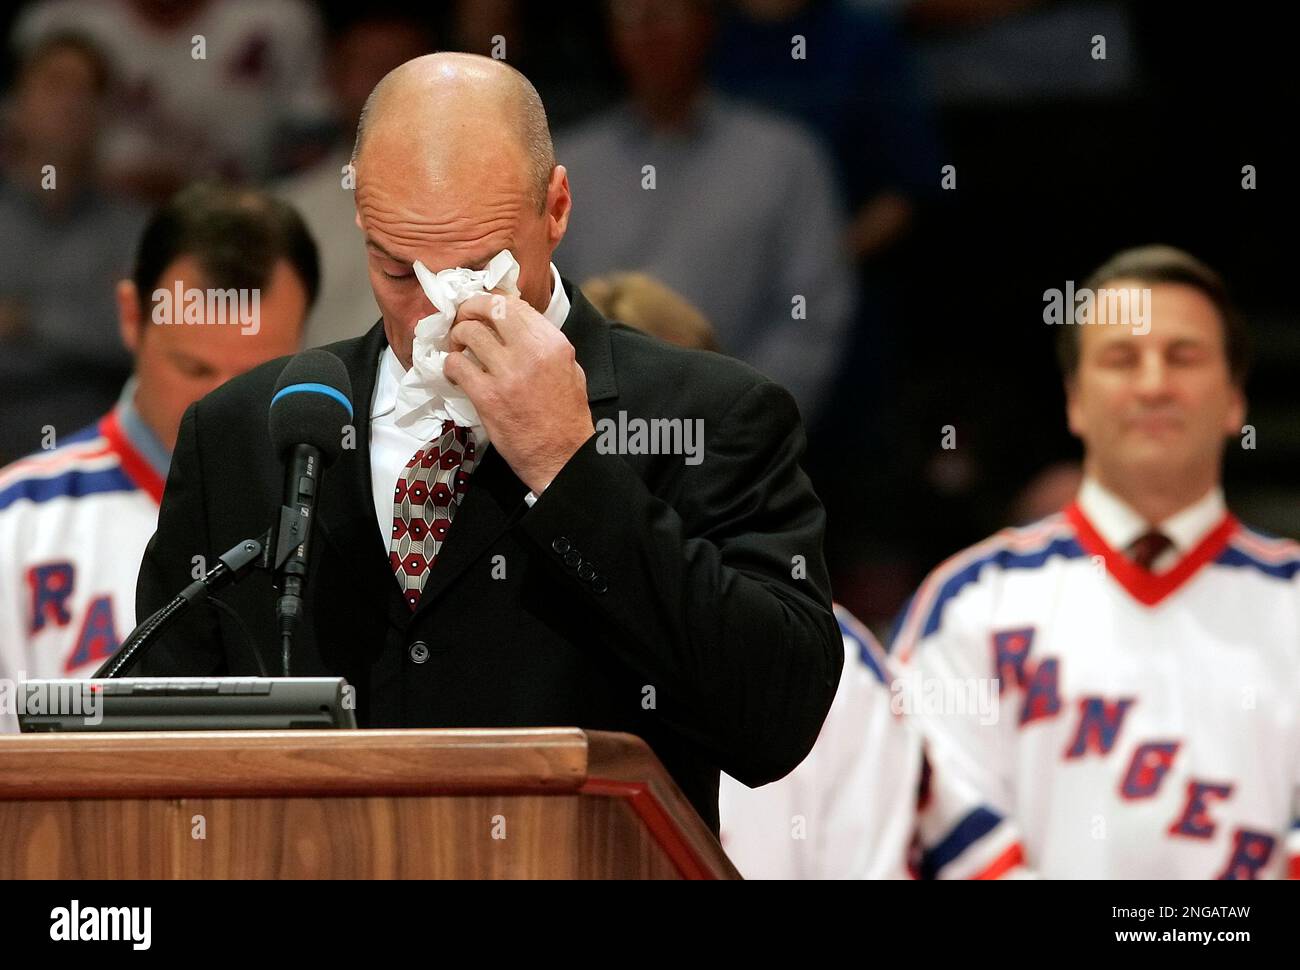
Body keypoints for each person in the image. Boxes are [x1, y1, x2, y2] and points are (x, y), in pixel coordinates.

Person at [133, 53, 842, 834]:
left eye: (475, 269)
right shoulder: (244, 430)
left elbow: (774, 721)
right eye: (398, 269)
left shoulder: (712, 415)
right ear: (361, 220)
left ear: (557, 208)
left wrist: (568, 466)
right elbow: (161, 749)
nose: (434, 313)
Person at [892, 245, 1300, 878]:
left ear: (1235, 401)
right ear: (1075, 401)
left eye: (1183, 356)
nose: (1154, 383)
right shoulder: (973, 601)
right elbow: (926, 812)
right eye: (1122, 359)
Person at [0, 184, 316, 732]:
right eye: (194, 370)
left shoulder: (350, 511)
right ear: (130, 316)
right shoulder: (15, 524)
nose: (220, 406)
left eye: (254, 376)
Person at [554, 0, 856, 426]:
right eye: (630, 17)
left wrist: (743, 425)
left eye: (664, 13)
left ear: (706, 22)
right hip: (584, 436)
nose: (648, 29)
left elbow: (812, 314)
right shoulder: (565, 164)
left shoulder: (785, 158)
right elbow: (533, 304)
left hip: (741, 440)